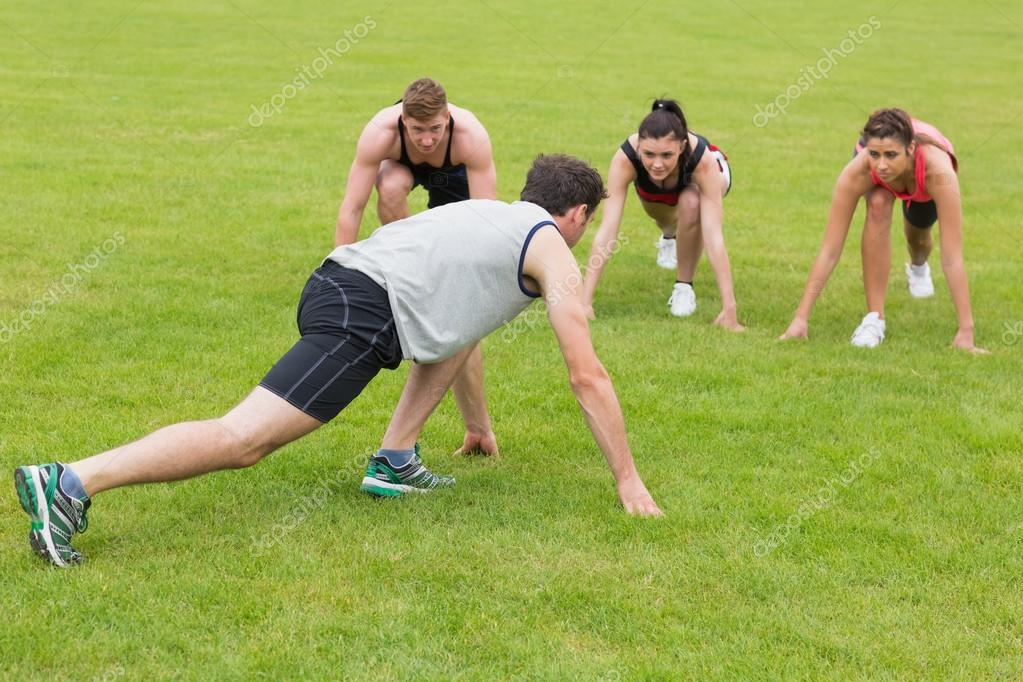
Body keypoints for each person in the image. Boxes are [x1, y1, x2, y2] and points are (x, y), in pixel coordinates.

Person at [14, 154, 663, 568]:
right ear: (577, 214)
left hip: (342, 283)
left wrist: (479, 427)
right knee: (244, 439)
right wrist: (628, 479)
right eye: (583, 224)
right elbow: (586, 373)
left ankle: (395, 460)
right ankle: (71, 482)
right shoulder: (551, 248)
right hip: (363, 310)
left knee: (455, 331)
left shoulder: (486, 216)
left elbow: (462, 329)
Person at [780, 108, 985, 352]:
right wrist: (800, 318)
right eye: (874, 154)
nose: (882, 165)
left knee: (918, 236)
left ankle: (918, 267)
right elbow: (830, 250)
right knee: (877, 205)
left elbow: (952, 258)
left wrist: (966, 331)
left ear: (909, 149)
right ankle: (874, 319)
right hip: (888, 176)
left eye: (890, 155)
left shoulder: (939, 173)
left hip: (921, 181)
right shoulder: (861, 170)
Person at [581, 99, 744, 330]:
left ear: (681, 146)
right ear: (639, 148)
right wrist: (585, 303)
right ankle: (669, 236)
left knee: (691, 202)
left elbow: (714, 237)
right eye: (649, 154)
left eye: (667, 155)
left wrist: (730, 309)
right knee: (660, 214)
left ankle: (684, 287)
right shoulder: (625, 158)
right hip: (659, 190)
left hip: (706, 178)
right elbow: (607, 230)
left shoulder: (702, 161)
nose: (657, 164)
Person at [334, 77, 497, 246]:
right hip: (401, 166)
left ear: (447, 117)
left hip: (451, 171)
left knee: (455, 235)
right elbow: (352, 208)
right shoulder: (381, 133)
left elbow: (487, 214)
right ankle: (405, 254)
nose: (427, 141)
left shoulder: (470, 136)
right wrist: (333, 269)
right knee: (390, 187)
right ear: (404, 119)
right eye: (417, 129)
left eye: (435, 128)